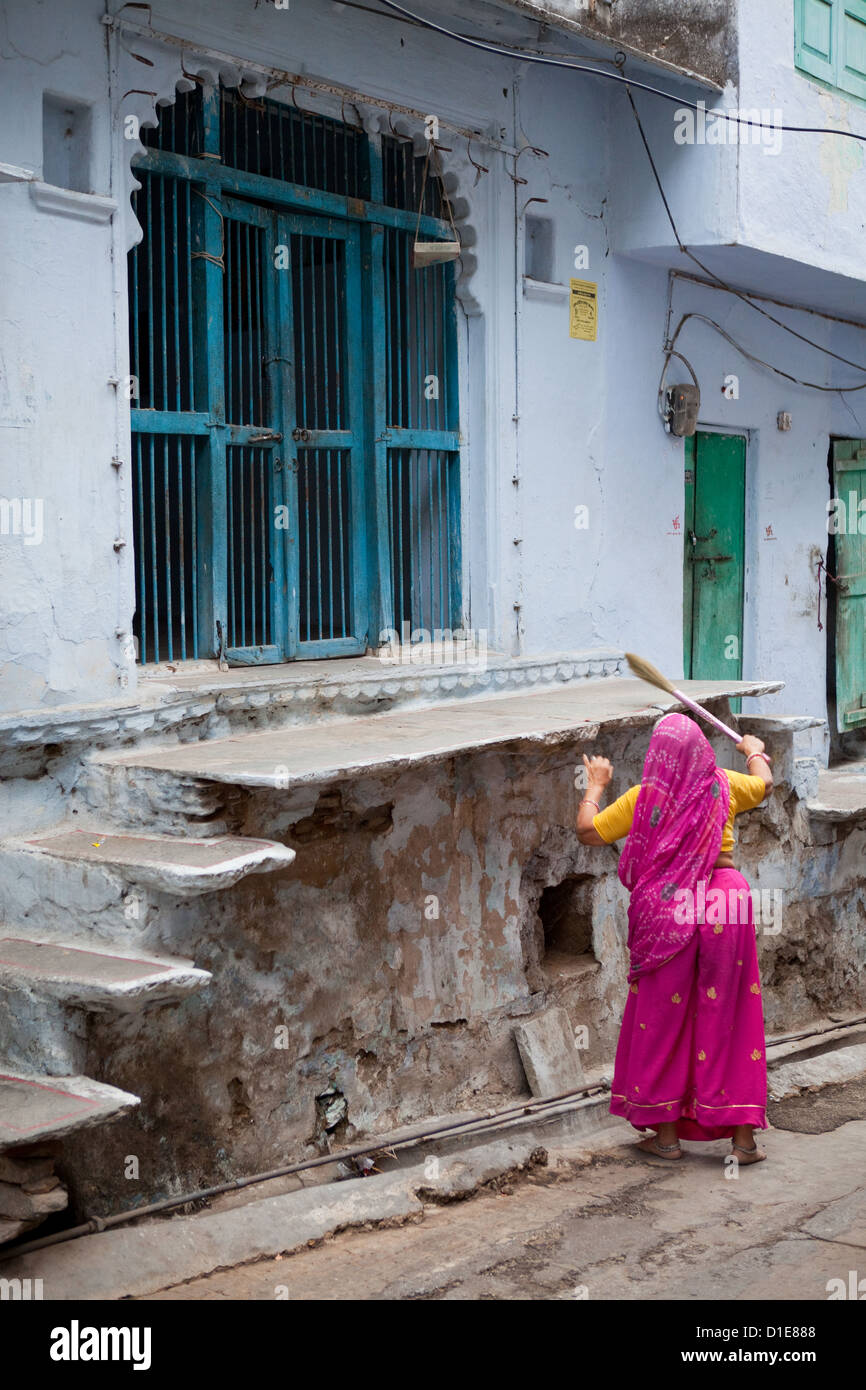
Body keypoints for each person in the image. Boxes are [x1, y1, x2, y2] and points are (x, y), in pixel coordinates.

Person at [577, 711, 773, 1165]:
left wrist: (596, 784)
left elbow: (587, 831)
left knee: (663, 1020)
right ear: (703, 748)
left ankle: (666, 1140)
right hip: (727, 903)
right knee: (733, 1014)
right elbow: (763, 784)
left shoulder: (647, 798)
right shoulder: (723, 783)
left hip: (670, 908)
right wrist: (754, 751)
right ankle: (742, 1144)